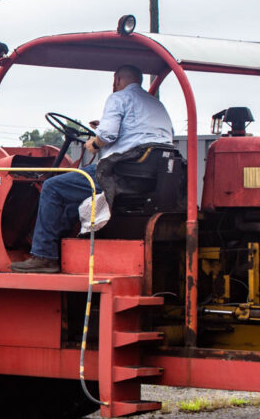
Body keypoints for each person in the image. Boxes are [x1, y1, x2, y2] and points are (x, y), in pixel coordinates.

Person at [10, 64, 174, 273]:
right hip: (148, 176)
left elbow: (107, 135)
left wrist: (94, 143)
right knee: (73, 199)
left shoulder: (118, 98)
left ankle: (44, 255)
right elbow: (147, 136)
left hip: (118, 173)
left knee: (52, 187)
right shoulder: (156, 104)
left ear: (116, 80)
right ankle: (62, 247)